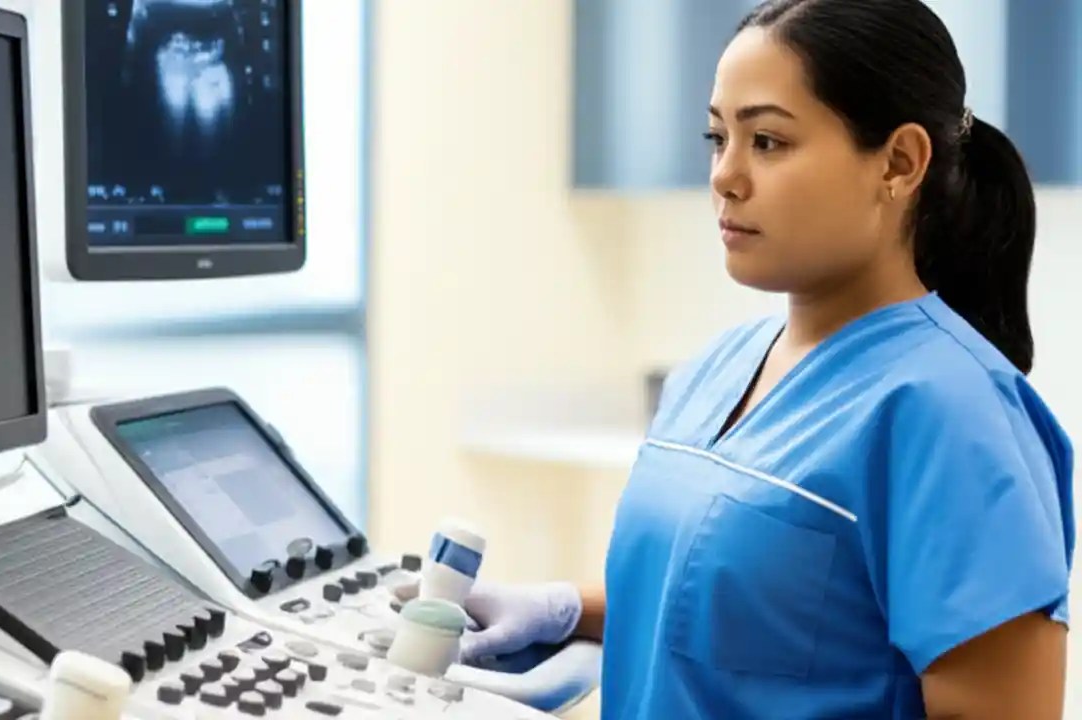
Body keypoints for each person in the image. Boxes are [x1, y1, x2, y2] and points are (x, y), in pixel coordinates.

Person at [397, 0, 1075, 717]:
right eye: (717, 136)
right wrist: (568, 608)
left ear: (899, 163)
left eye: (769, 142)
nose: (725, 174)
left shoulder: (954, 414)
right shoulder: (711, 372)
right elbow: (751, 612)